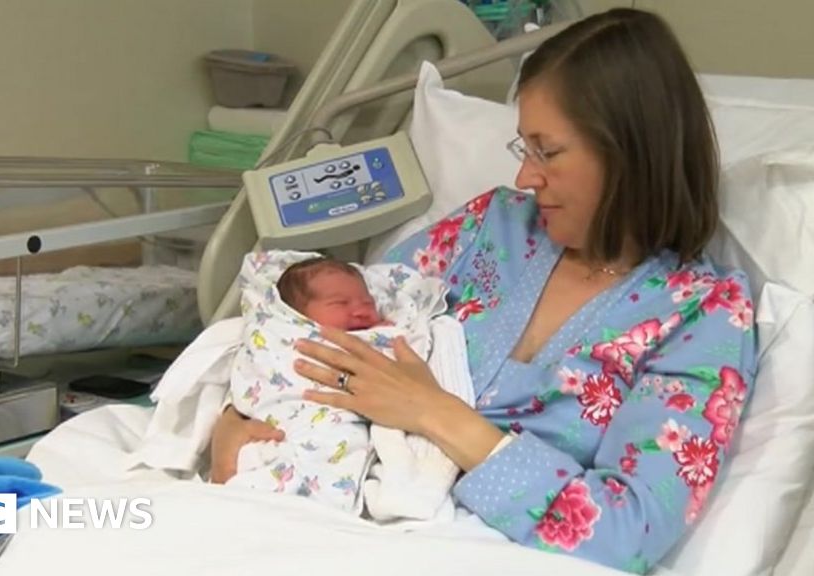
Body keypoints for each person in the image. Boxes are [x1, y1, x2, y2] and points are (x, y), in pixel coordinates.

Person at [212, 8, 757, 573]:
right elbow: (311, 325)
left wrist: (435, 414)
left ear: (629, 151)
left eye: (548, 152)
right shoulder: (487, 228)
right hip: (316, 504)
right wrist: (232, 417)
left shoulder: (701, 314)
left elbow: (628, 531)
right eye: (525, 150)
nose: (526, 178)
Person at [224, 253, 457, 515]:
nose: (361, 310)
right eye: (340, 303)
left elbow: (402, 372)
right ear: (296, 314)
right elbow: (259, 367)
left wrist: (384, 336)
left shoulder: (377, 333)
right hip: (290, 421)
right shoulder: (287, 334)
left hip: (340, 424)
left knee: (340, 451)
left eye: (367, 302)